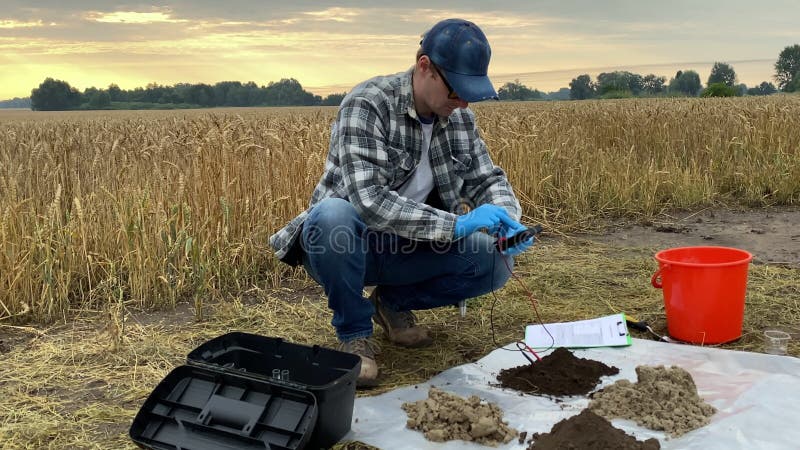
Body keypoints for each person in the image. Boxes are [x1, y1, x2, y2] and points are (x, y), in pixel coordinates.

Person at [269, 18, 534, 387]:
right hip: (346, 244)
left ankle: (392, 304)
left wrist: (507, 218)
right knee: (332, 214)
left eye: (469, 94)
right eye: (457, 90)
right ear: (425, 66)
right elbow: (368, 202)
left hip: (411, 245)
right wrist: (457, 225)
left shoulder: (460, 119)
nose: (463, 102)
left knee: (494, 260)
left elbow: (486, 179)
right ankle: (354, 335)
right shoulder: (367, 104)